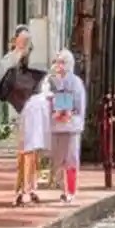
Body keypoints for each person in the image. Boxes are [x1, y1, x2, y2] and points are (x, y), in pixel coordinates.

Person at [0, 26, 48, 206]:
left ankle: (31, 188)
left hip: (37, 106)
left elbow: (45, 80)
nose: (24, 44)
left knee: (35, 150)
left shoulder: (35, 62)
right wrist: (18, 52)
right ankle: (23, 190)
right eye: (21, 40)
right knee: (26, 151)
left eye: (27, 41)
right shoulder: (11, 60)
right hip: (26, 109)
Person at [46, 49, 87, 204]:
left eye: (62, 62)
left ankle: (70, 191)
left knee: (71, 158)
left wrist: (67, 112)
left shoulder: (75, 82)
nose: (59, 65)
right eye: (57, 62)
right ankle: (62, 189)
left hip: (70, 126)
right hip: (56, 125)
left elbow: (78, 105)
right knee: (58, 159)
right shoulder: (51, 81)